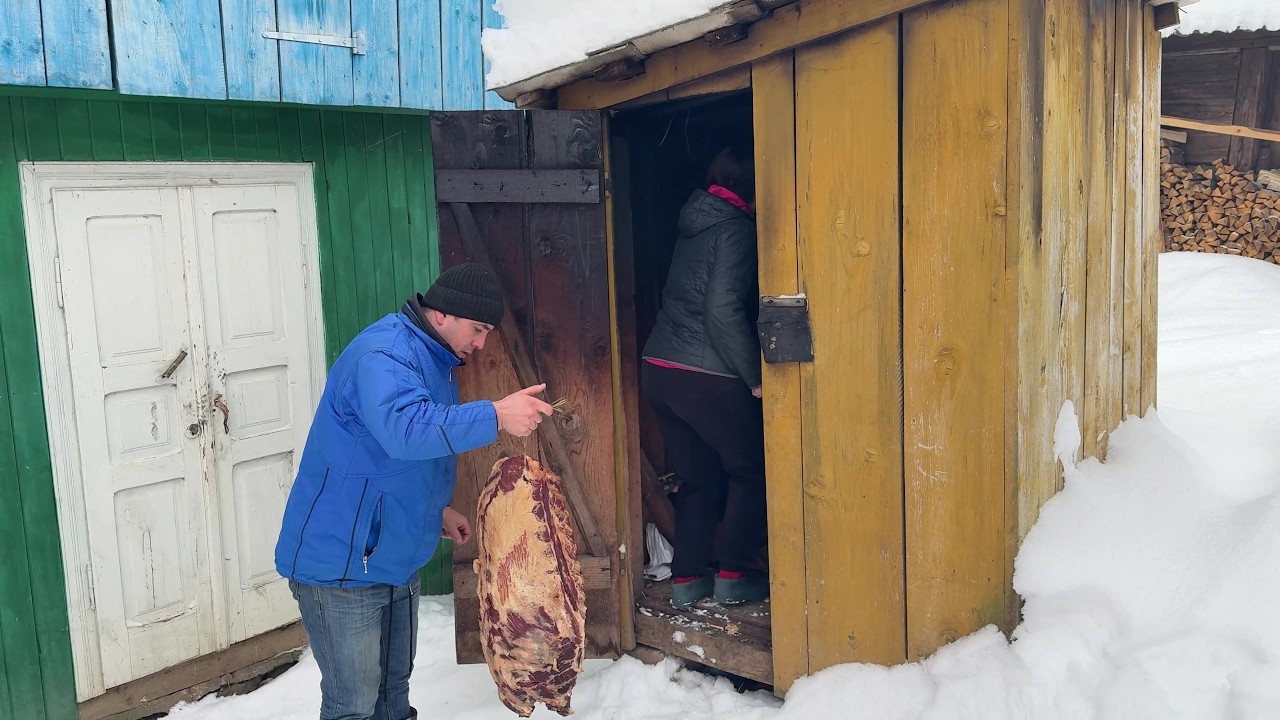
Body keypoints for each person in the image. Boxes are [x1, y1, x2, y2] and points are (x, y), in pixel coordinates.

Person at [274, 263, 553, 720]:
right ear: (443, 315)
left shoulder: (432, 357)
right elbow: (405, 431)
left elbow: (400, 456)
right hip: (343, 562)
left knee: (392, 696)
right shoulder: (383, 354)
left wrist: (434, 511)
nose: (481, 344)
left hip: (391, 556)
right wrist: (497, 415)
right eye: (478, 329)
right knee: (354, 706)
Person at [641, 145, 768, 610]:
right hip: (706, 376)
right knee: (751, 471)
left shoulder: (695, 222)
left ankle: (688, 579)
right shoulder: (735, 231)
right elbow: (721, 310)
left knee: (698, 480)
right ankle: (735, 574)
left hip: (660, 371)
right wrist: (753, 376)